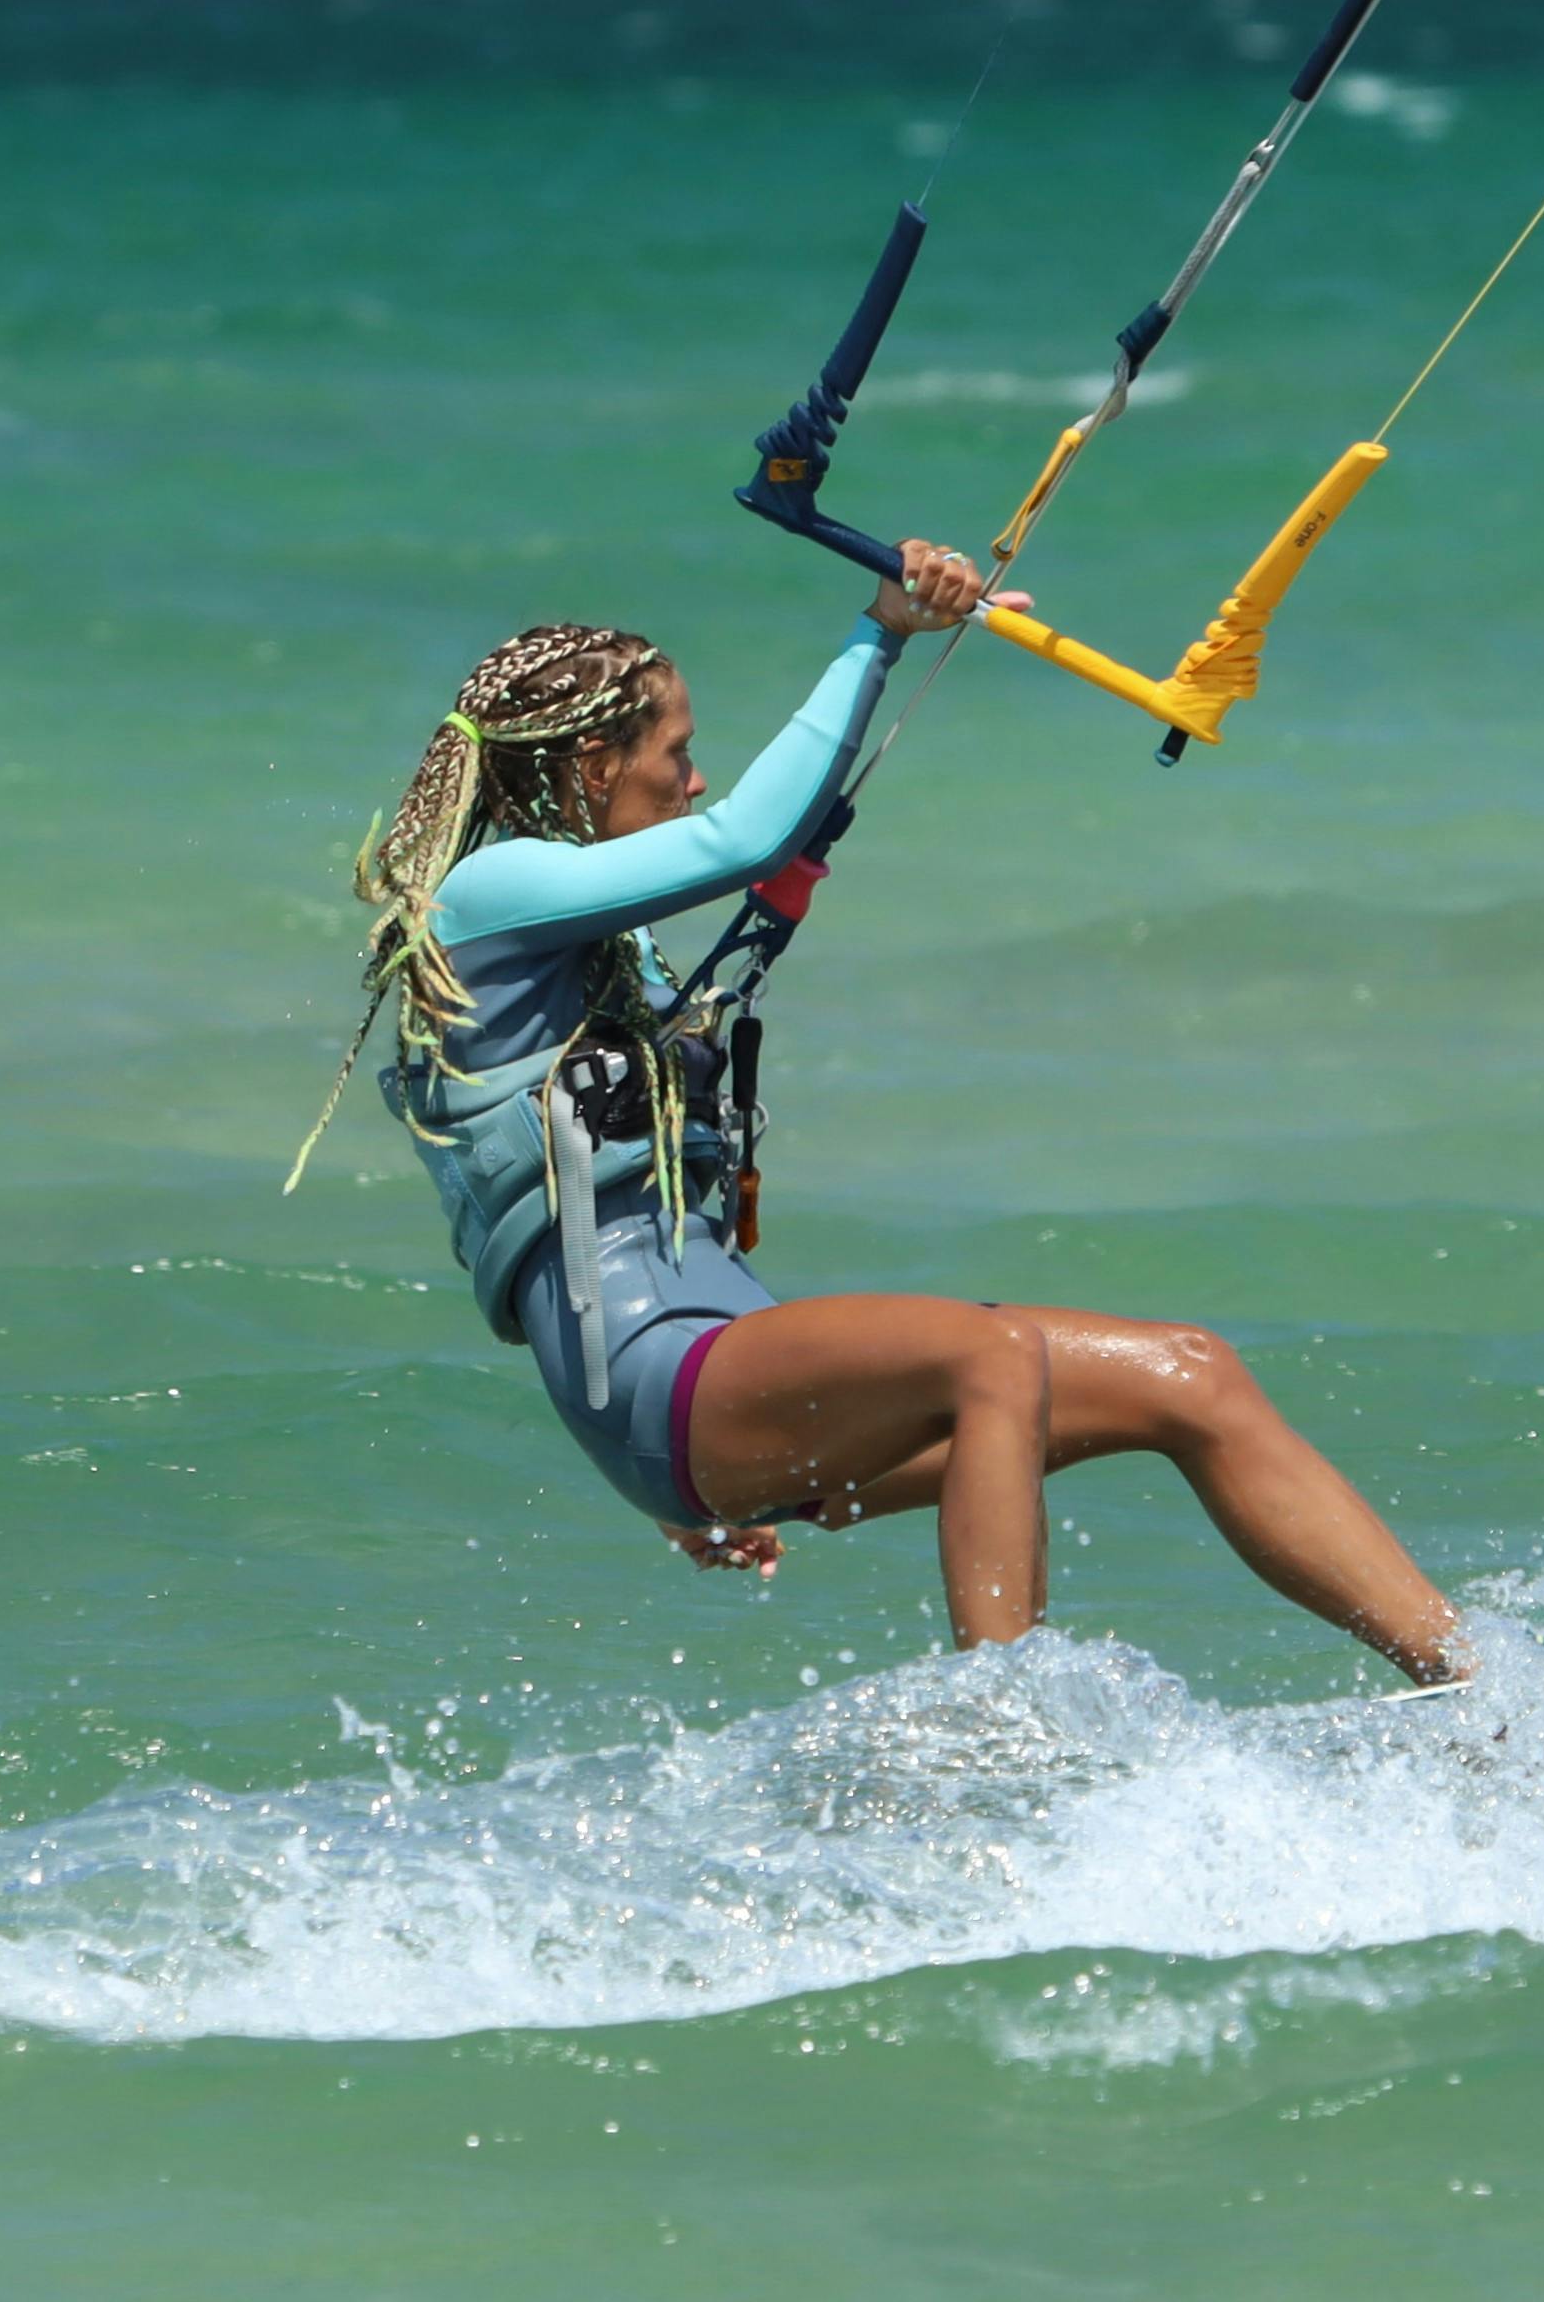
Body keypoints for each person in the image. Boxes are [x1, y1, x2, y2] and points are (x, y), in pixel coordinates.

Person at [330, 543, 1467, 1681]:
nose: (694, 779)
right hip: (658, 1377)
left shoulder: (606, 950)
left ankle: (1473, 1691)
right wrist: (880, 633)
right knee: (989, 1354)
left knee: (1190, 1373)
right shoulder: (487, 896)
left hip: (719, 1385)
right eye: (674, 754)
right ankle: (1002, 1727)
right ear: (588, 763)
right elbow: (741, 842)